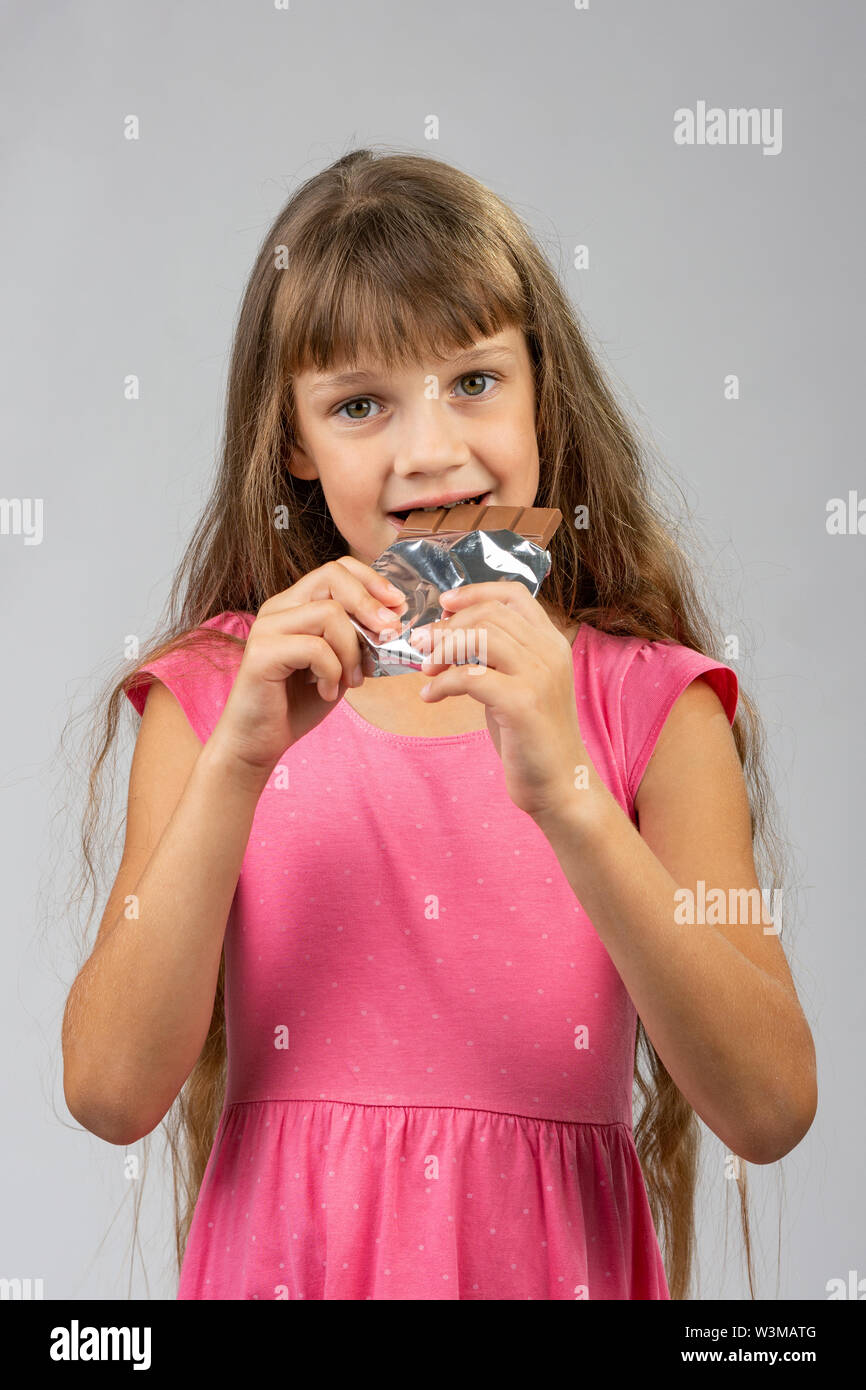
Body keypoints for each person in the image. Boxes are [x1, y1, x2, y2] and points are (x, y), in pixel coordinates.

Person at [61, 147, 817, 1300]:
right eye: (359, 403)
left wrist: (566, 789)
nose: (429, 450)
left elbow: (767, 1108)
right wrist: (239, 767)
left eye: (472, 381)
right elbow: (111, 1091)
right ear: (294, 446)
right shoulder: (216, 698)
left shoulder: (647, 703)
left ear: (539, 391)